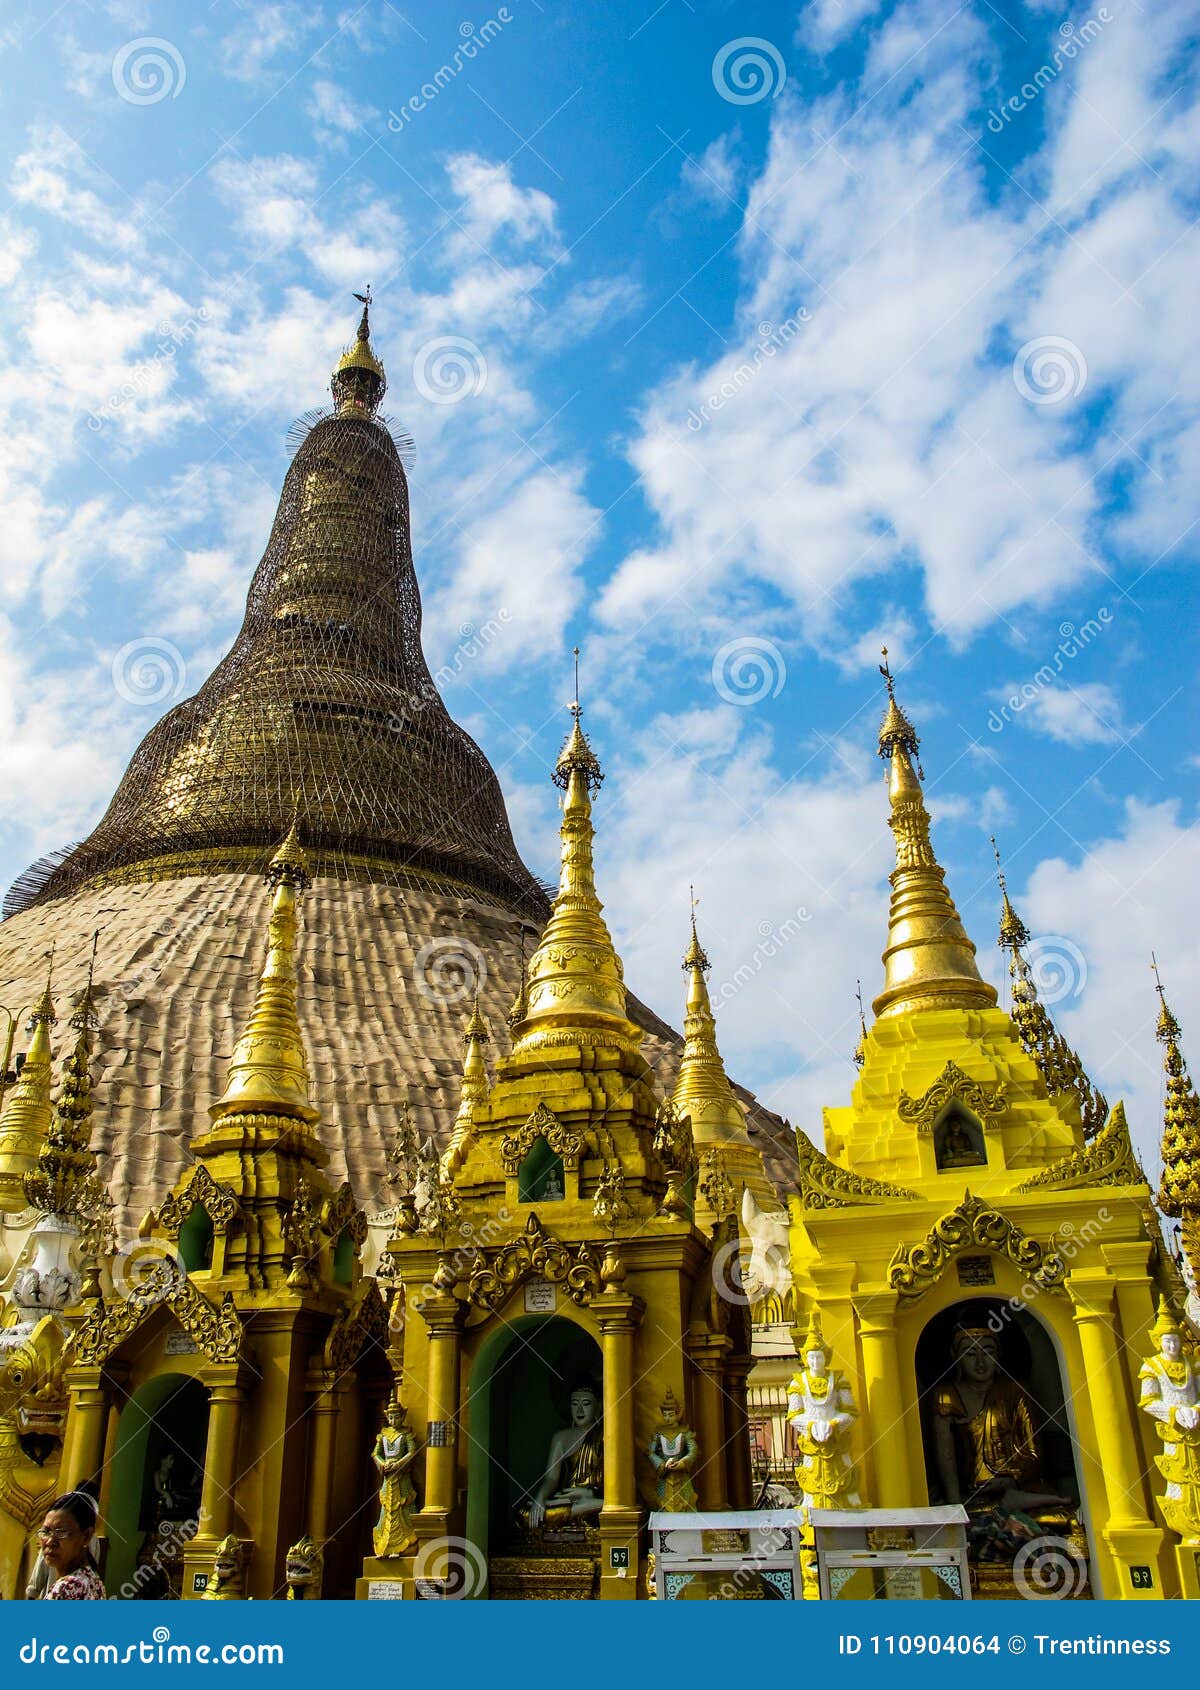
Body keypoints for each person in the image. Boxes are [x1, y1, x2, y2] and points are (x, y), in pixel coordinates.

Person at [37, 1491, 105, 1600]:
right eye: (46, 1531)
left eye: (61, 1532)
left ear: (86, 1536)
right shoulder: (95, 1582)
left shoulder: (65, 1589)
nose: (50, 1541)